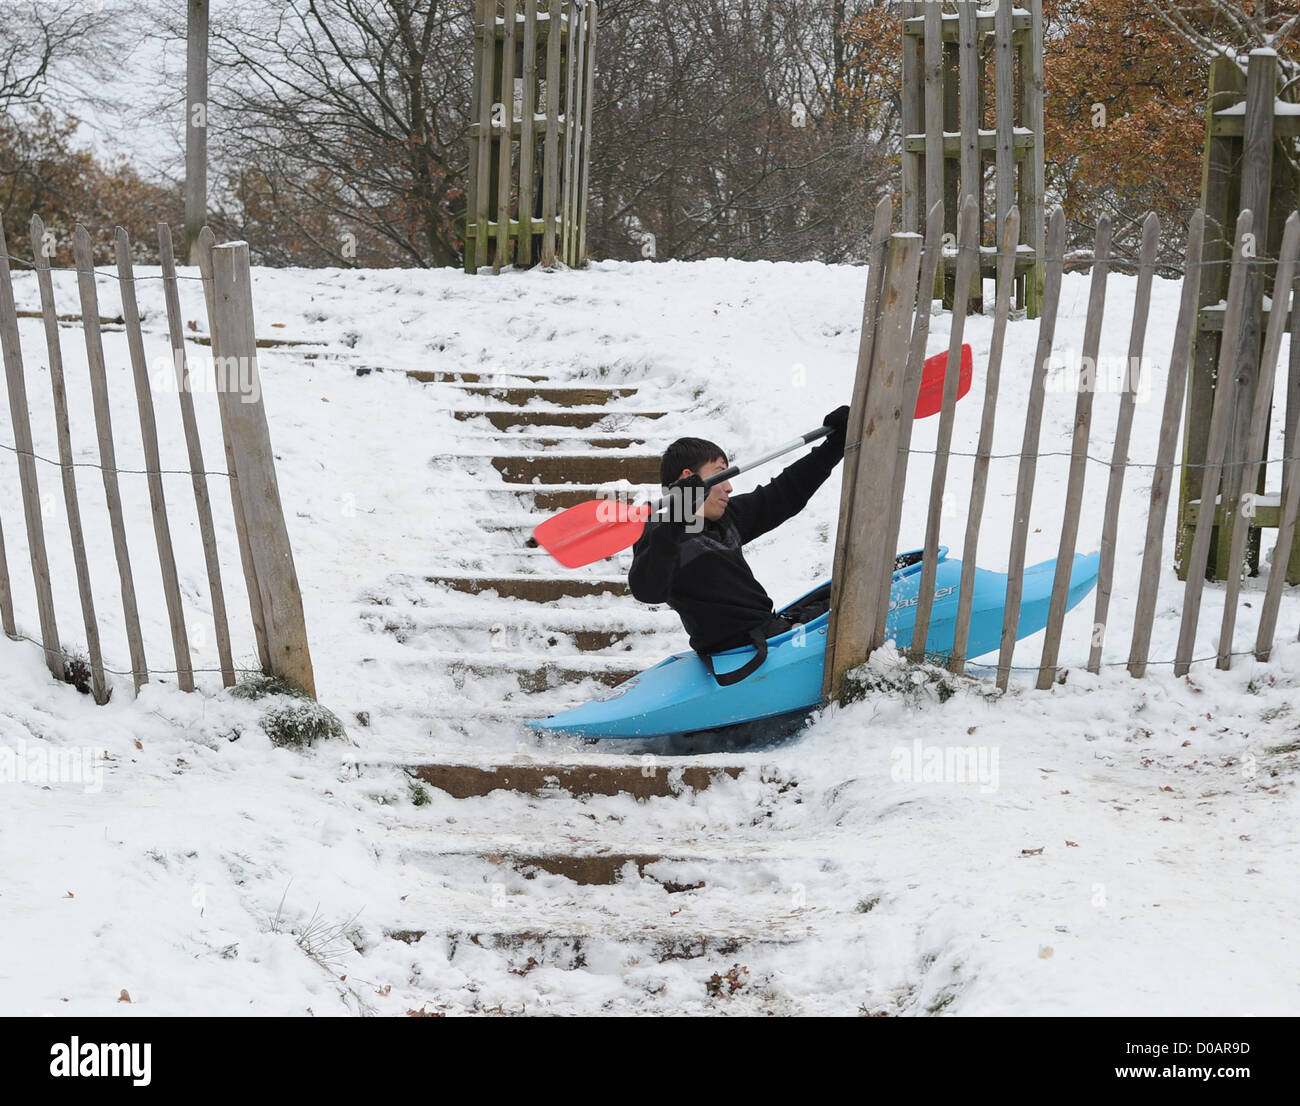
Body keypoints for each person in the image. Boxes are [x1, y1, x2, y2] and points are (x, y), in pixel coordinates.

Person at [628, 406, 850, 684]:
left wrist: (835, 445)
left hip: (769, 631)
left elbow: (785, 493)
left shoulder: (725, 519)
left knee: (855, 585)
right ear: (689, 479)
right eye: (720, 475)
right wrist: (677, 513)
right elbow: (648, 590)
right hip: (741, 649)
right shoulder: (661, 532)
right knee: (864, 599)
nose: (729, 487)